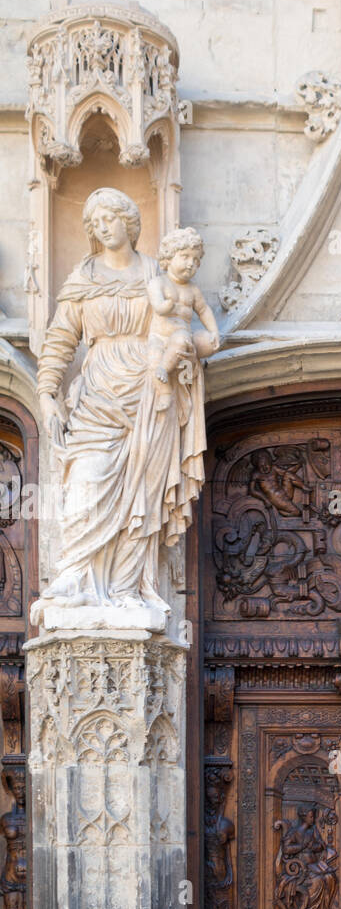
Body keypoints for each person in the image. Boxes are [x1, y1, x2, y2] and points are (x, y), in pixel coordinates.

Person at [31, 187, 217, 624]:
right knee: (87, 484)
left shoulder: (159, 272)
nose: (102, 226)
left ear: (130, 223)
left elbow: (184, 324)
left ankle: (126, 589)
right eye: (94, 222)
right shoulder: (83, 280)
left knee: (144, 496)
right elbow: (60, 341)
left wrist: (187, 350)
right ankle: (75, 579)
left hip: (152, 392)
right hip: (97, 394)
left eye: (110, 217)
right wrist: (46, 393)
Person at [147, 227, 218, 413]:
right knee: (154, 356)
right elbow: (157, 305)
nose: (190, 264)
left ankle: (174, 366)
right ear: (168, 257)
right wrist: (166, 306)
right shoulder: (159, 282)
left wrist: (214, 332)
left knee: (198, 341)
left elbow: (203, 310)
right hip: (160, 335)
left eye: (196, 260)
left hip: (182, 336)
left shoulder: (192, 290)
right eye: (185, 256)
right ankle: (165, 390)